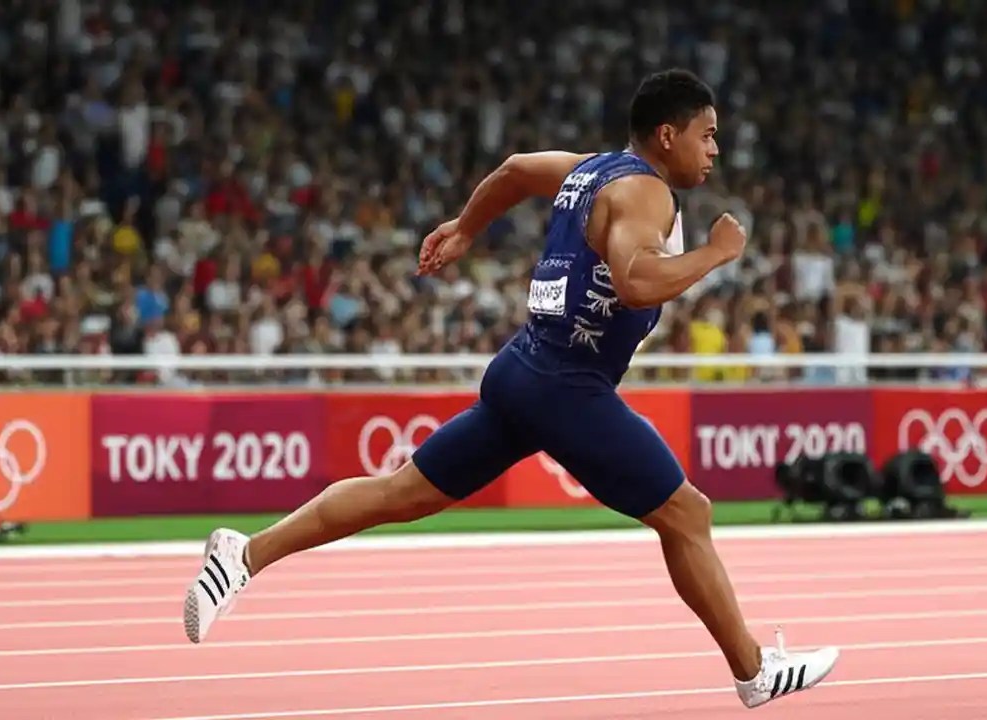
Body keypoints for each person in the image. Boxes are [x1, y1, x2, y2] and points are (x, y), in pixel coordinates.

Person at [181, 68, 839, 709]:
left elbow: (519, 169)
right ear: (667, 135)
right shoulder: (647, 193)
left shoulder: (592, 170)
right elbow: (637, 282)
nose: (716, 150)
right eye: (708, 134)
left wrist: (467, 228)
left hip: (523, 369)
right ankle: (754, 672)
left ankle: (245, 553)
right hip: (567, 387)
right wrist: (718, 254)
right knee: (686, 514)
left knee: (401, 492)